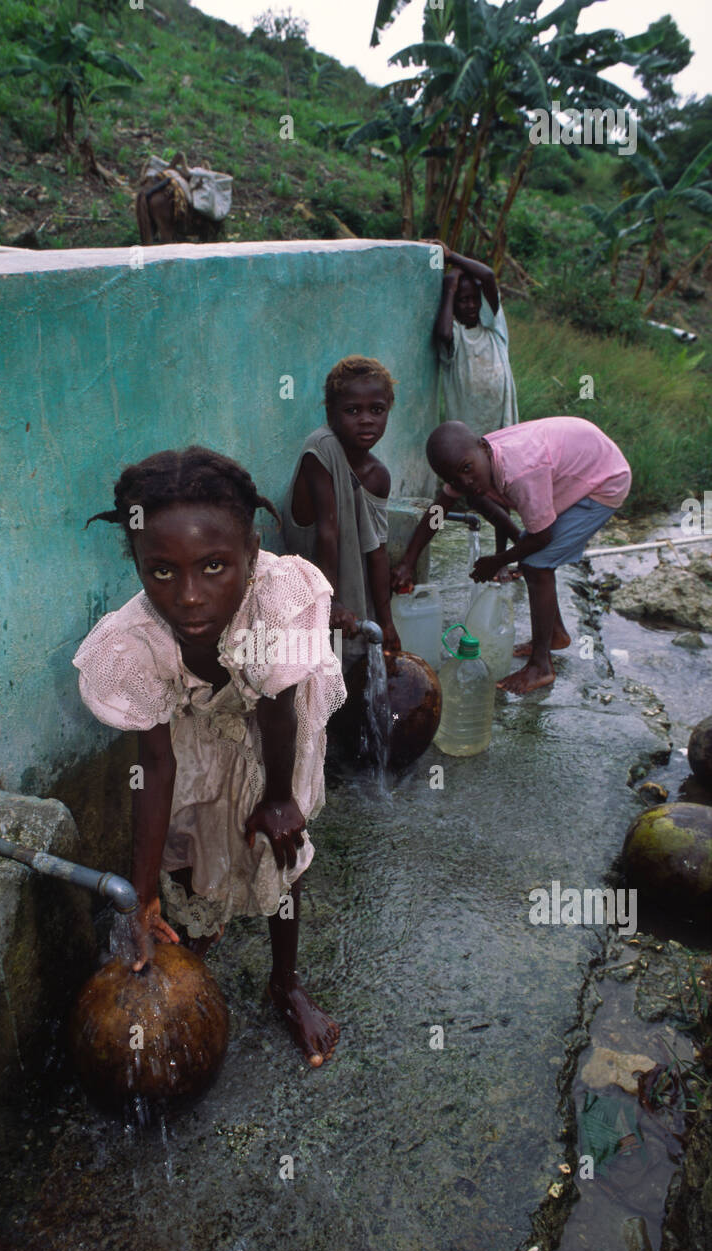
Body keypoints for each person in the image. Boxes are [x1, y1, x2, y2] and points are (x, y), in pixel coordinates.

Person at [73, 447, 345, 1066]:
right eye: (161, 572)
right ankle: (197, 923)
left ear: (252, 549)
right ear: (137, 562)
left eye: (215, 565)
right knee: (185, 832)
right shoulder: (133, 642)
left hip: (273, 722)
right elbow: (157, 764)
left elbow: (278, 707)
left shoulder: (278, 600)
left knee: (277, 851)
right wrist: (141, 893)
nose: (190, 597)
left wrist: (280, 798)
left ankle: (285, 982)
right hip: (195, 723)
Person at [425, 418, 631, 694]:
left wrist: (497, 561)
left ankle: (541, 666)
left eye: (466, 470)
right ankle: (555, 634)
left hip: (604, 481)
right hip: (582, 463)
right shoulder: (474, 461)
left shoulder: (520, 470)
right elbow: (440, 508)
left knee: (536, 564)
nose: (464, 481)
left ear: (483, 447)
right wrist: (407, 559)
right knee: (533, 556)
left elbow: (541, 537)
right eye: (453, 480)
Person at [391, 243, 519, 591]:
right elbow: (443, 333)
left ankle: (504, 558)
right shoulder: (456, 338)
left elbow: (489, 276)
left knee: (502, 494)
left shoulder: (494, 329)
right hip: (468, 440)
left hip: (500, 429)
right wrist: (448, 288)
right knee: (475, 499)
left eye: (472, 300)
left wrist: (453, 258)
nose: (469, 306)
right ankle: (518, 548)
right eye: (461, 301)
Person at [282, 355, 400, 665]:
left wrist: (386, 622)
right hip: (311, 599)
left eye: (377, 410)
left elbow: (377, 552)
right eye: (352, 410)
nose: (366, 420)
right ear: (330, 413)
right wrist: (328, 602)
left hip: (352, 605)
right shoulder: (321, 450)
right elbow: (327, 532)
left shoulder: (378, 475)